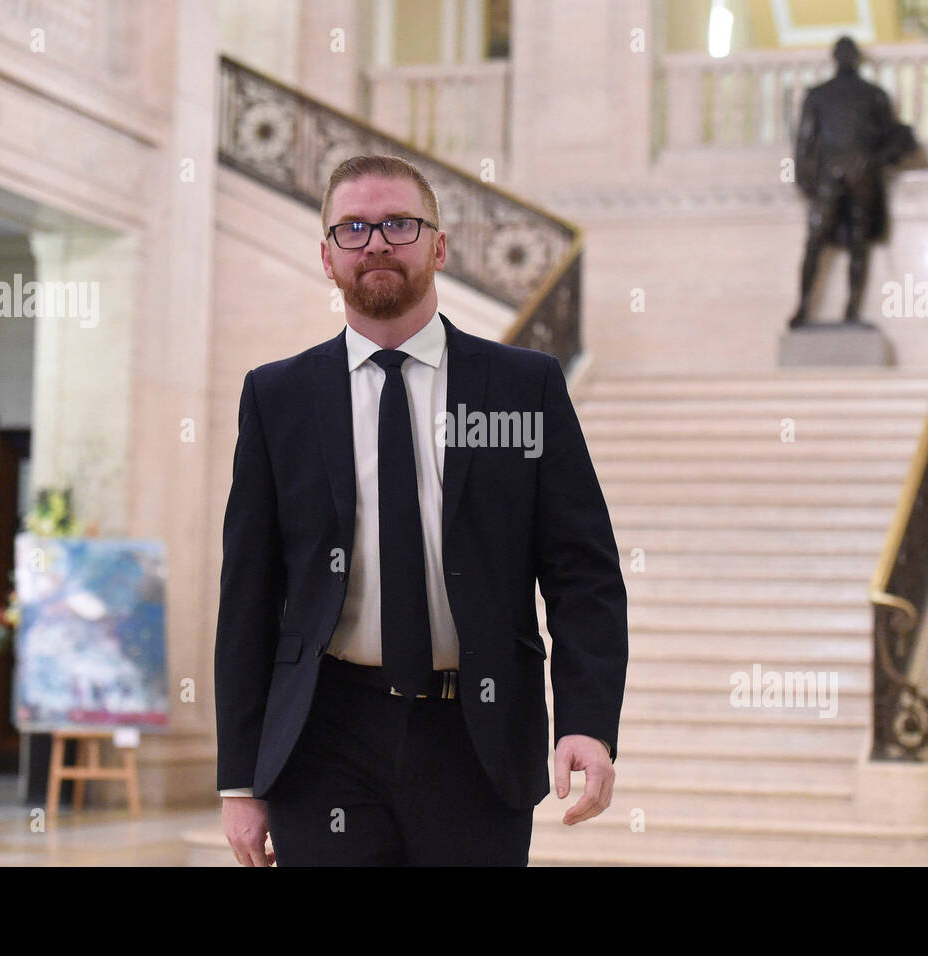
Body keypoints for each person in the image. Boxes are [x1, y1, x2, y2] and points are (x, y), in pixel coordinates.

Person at [214, 154, 628, 866]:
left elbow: (582, 573)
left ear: (438, 246)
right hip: (323, 736)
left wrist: (586, 722)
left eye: (398, 224)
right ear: (326, 256)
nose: (376, 242)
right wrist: (239, 779)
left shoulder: (522, 387)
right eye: (354, 228)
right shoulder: (277, 397)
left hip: (477, 736)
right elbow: (248, 597)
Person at [790, 36, 915, 327]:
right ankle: (803, 308)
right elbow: (804, 141)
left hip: (858, 178)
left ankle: (849, 311)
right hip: (832, 179)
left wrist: (876, 159)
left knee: (855, 243)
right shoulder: (821, 95)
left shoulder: (873, 95)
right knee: (817, 241)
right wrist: (804, 178)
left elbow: (893, 138)